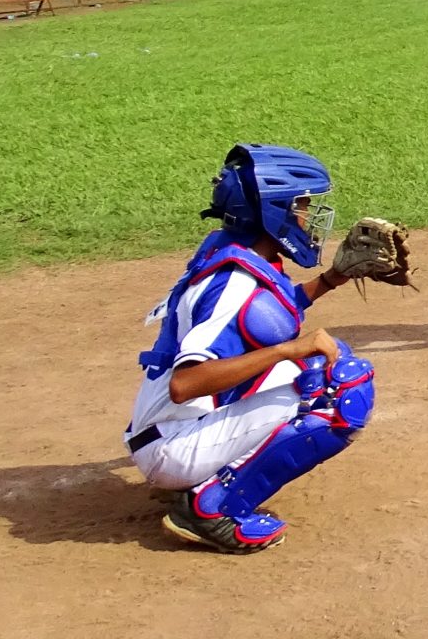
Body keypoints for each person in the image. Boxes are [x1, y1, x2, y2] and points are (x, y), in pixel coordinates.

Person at [125, 144, 377, 554]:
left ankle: (200, 480)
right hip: (172, 445)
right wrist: (289, 351)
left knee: (326, 361)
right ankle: (210, 508)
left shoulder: (232, 250)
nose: (308, 219)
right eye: (300, 207)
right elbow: (185, 383)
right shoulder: (233, 285)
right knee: (341, 392)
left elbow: (265, 318)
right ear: (272, 211)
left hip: (166, 429)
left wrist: (333, 278)